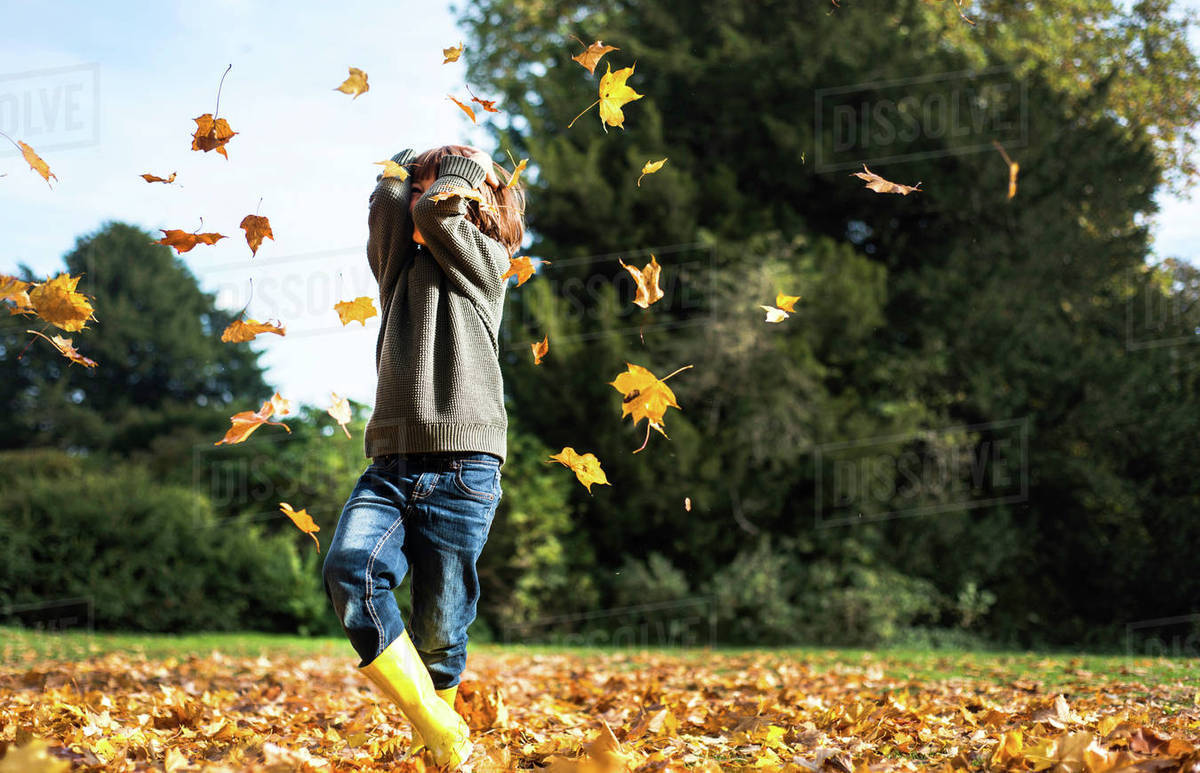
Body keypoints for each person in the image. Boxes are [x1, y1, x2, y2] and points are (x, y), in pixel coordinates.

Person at [321, 143, 526, 769]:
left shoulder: (487, 261)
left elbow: (440, 216)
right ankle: (438, 724)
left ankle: (438, 751)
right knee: (349, 571)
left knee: (441, 631)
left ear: (477, 200)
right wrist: (400, 165)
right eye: (416, 184)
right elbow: (388, 211)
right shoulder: (397, 267)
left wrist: (455, 174)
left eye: (434, 184)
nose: (419, 194)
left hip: (464, 467)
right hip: (389, 464)